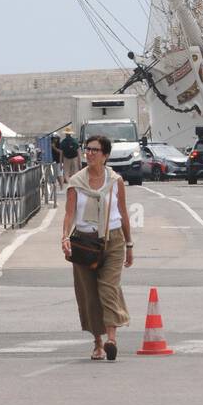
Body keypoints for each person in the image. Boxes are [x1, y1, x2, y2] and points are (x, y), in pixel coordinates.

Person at [62, 135, 133, 360]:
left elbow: (122, 213)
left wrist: (129, 243)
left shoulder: (115, 181)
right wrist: (64, 237)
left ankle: (111, 339)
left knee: (108, 287)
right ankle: (97, 342)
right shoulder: (76, 182)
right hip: (84, 241)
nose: (90, 153)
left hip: (112, 240)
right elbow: (69, 213)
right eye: (88, 149)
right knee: (89, 294)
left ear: (105, 155)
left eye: (95, 150)